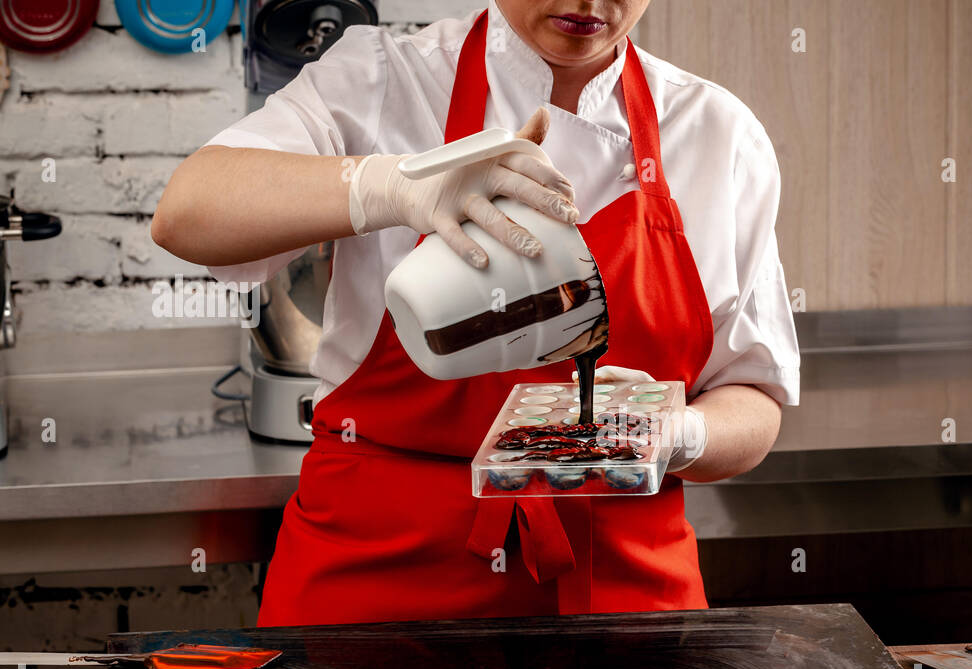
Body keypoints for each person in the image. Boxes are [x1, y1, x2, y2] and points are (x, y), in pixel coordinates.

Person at [151, 0, 800, 625]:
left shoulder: (719, 135)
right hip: (376, 594)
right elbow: (188, 212)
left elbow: (753, 397)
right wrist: (388, 186)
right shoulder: (385, 80)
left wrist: (677, 433)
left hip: (622, 601)